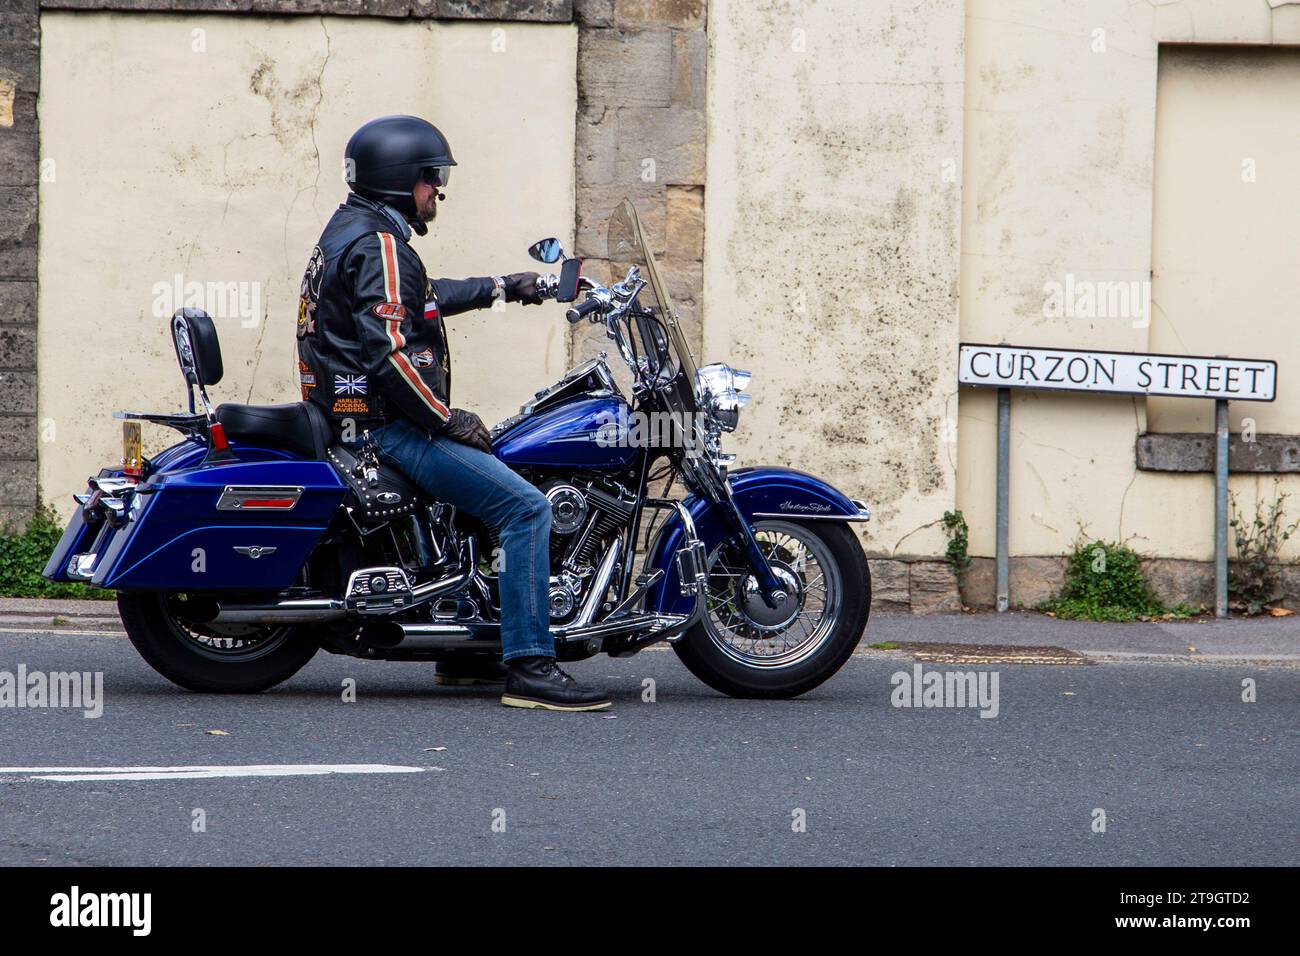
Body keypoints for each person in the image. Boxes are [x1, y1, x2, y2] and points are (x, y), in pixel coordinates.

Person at [296, 114, 610, 712]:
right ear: (399, 180)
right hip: (385, 430)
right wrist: (444, 418)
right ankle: (531, 665)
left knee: (487, 492)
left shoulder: (352, 231)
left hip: (353, 419)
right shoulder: (379, 244)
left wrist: (515, 287)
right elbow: (385, 352)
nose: (437, 191)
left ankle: (467, 650)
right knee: (525, 508)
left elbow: (420, 296)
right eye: (430, 179)